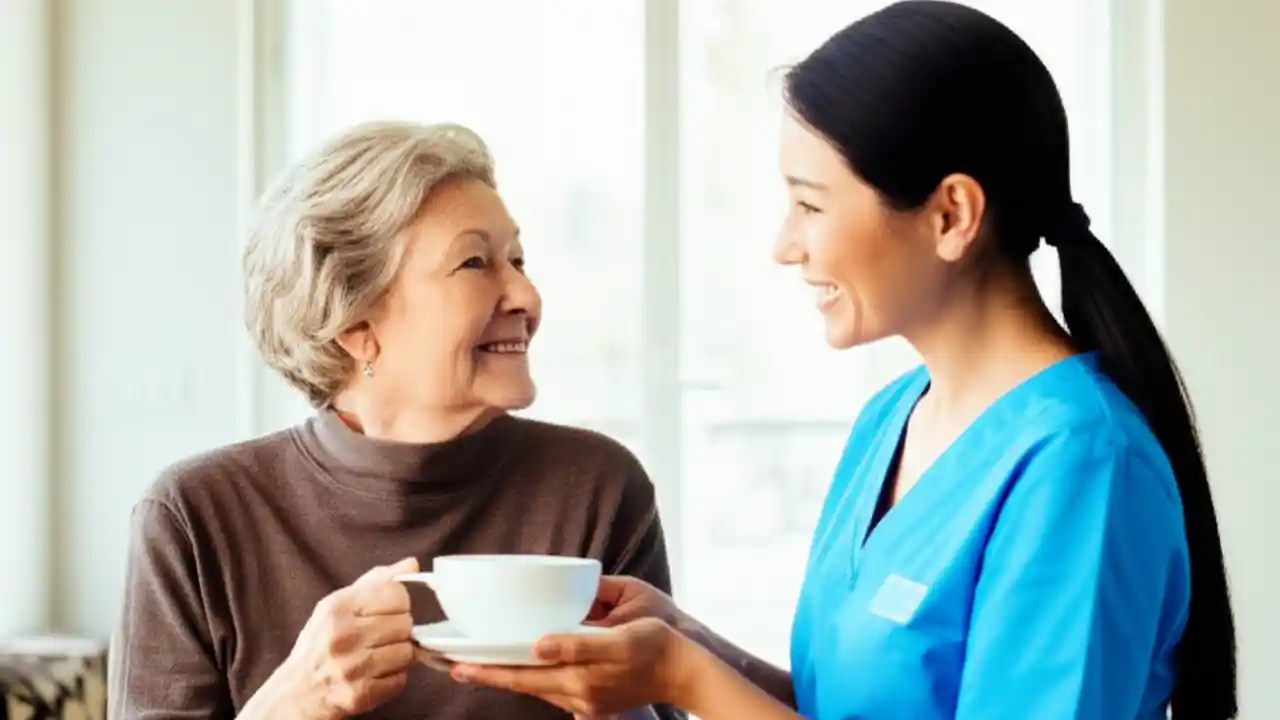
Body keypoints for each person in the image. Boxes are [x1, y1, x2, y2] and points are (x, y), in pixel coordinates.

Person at [449, 2, 1238, 718]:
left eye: (811, 204)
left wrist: (684, 678)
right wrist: (684, 642)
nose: (786, 246)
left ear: (951, 215)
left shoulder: (1081, 462)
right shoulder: (891, 418)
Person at [108, 121, 674, 719]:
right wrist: (292, 704)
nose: (527, 297)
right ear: (355, 326)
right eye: (476, 263)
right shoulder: (194, 517)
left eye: (518, 259)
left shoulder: (597, 486)